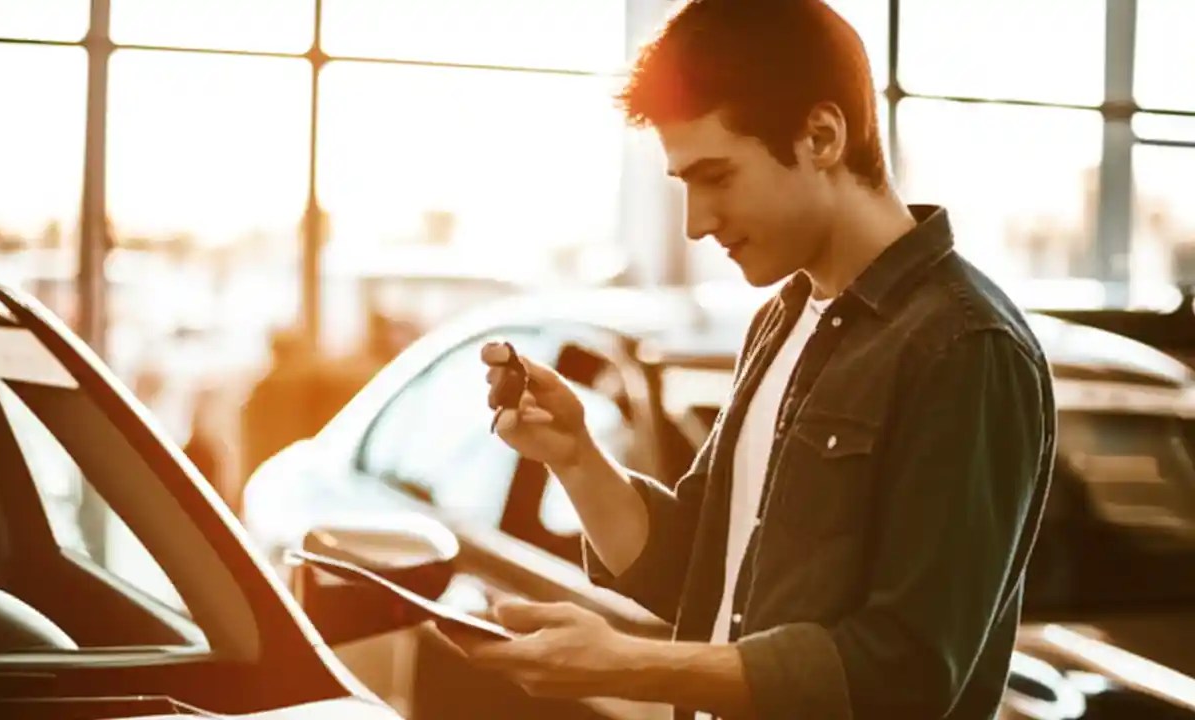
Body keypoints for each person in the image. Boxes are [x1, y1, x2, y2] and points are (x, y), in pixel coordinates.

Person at [443, 1, 1058, 719]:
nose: (696, 223)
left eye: (718, 177)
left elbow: (903, 675)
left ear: (821, 137)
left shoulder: (966, 348)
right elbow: (699, 570)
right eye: (684, 185)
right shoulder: (783, 318)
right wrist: (575, 455)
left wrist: (630, 666)